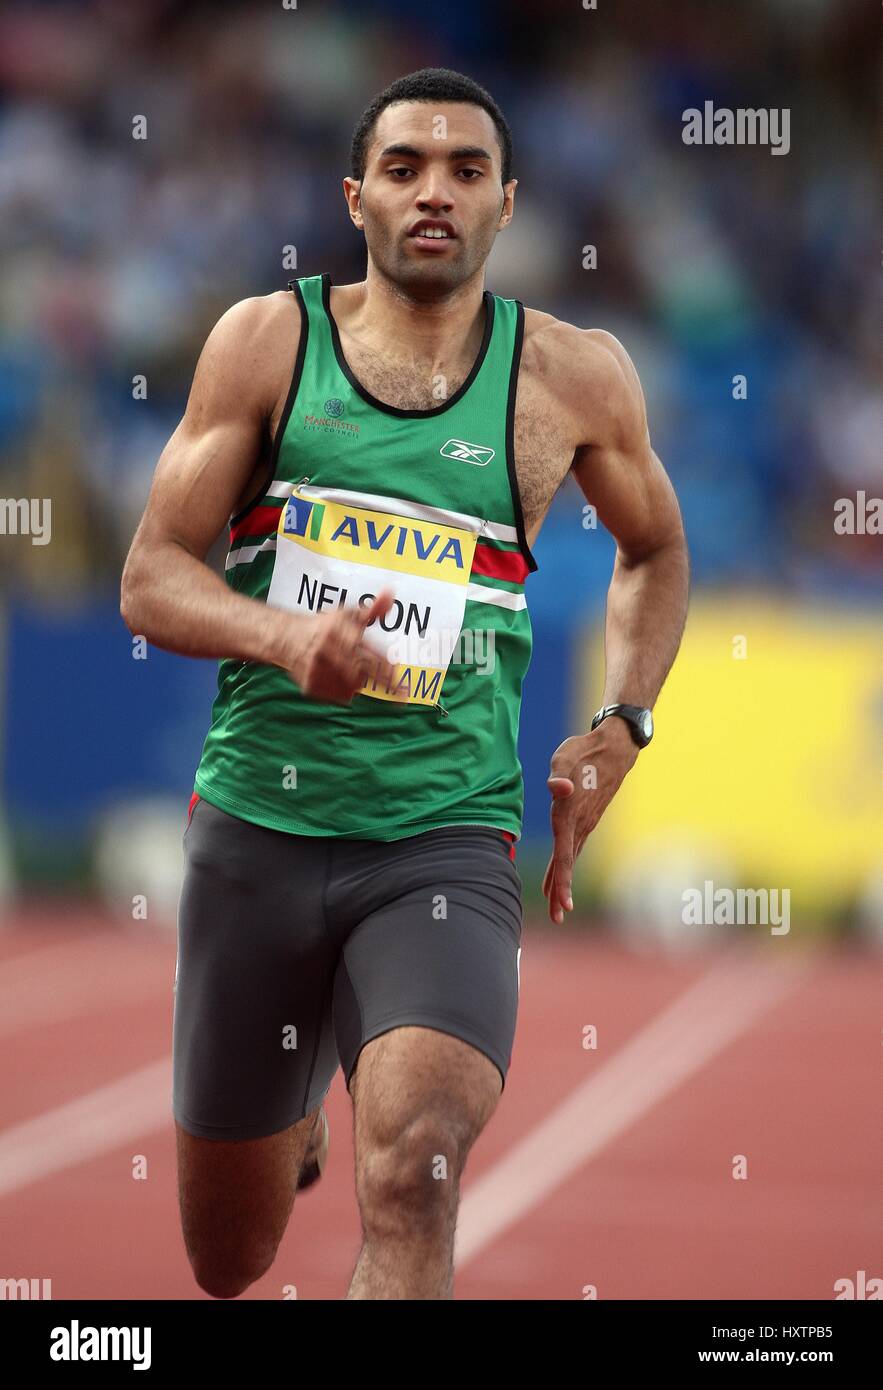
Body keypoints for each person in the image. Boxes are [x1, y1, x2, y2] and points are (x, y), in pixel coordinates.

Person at [120, 67, 689, 1300]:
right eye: (405, 168)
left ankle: (371, 1082)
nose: (435, 192)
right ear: (356, 197)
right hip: (260, 830)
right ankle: (304, 1101)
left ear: (506, 204)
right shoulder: (266, 344)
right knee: (229, 1260)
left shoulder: (573, 377)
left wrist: (624, 720)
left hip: (443, 839)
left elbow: (654, 547)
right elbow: (150, 578)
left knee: (417, 1164)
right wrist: (285, 640)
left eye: (466, 171)